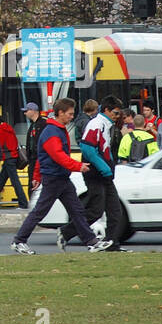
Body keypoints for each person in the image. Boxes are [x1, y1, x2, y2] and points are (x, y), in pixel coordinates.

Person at [11, 98, 112, 254]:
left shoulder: (55, 129)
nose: (72, 117)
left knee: (76, 211)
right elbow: (58, 156)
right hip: (54, 178)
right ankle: (19, 240)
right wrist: (78, 166)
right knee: (42, 211)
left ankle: (91, 242)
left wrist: (37, 176)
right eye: (70, 114)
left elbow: (42, 155)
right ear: (60, 113)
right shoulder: (52, 132)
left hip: (60, 177)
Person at [58, 96, 124, 253]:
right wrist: (105, 168)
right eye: (115, 112)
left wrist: (109, 167)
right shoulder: (96, 124)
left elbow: (104, 150)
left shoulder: (106, 125)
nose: (118, 116)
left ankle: (112, 244)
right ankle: (66, 232)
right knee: (96, 210)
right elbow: (87, 149)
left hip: (103, 173)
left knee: (115, 211)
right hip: (95, 173)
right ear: (106, 110)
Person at [0, 112, 28, 209]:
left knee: (15, 182)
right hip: (13, 157)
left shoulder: (2, 131)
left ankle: (23, 203)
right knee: (1, 181)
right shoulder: (9, 128)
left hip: (8, 159)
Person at [24, 102, 47, 187]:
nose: (24, 113)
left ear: (33, 111)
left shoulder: (43, 124)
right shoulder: (32, 125)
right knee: (31, 185)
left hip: (39, 159)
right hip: (32, 160)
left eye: (26, 111)